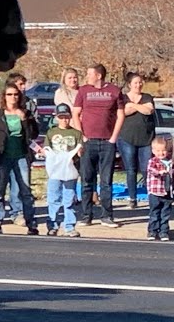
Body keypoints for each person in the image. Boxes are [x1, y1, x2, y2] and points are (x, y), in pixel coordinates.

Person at [0, 83, 40, 234]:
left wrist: (25, 120)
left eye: (15, 94)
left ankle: (31, 223)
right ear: (4, 97)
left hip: (21, 156)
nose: (13, 97)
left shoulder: (26, 113)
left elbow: (34, 134)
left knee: (25, 191)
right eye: (9, 94)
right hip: (1, 156)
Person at [73, 64, 124, 227]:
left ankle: (107, 216)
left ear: (99, 75)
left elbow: (120, 114)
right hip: (89, 142)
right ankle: (86, 215)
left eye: (89, 74)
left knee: (106, 181)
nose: (87, 76)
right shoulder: (83, 91)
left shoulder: (114, 91)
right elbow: (75, 112)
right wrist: (83, 136)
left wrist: (113, 138)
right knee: (87, 179)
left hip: (107, 142)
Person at [41, 102, 84, 237]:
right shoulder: (51, 132)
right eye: (61, 117)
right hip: (55, 171)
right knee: (54, 198)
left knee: (69, 198)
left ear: (70, 117)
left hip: (70, 170)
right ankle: (53, 224)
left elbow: (80, 149)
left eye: (66, 117)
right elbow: (47, 149)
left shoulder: (76, 133)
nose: (64, 120)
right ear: (56, 117)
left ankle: (69, 226)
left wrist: (79, 153)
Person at [117, 72, 156, 210]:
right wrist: (139, 107)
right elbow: (124, 112)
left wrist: (133, 105)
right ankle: (132, 199)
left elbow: (149, 111)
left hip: (146, 139)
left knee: (147, 169)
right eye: (135, 83)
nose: (138, 85)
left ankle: (151, 196)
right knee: (131, 169)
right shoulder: (122, 98)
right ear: (129, 85)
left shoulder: (147, 97)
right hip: (126, 138)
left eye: (140, 82)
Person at [146, 135, 172, 242]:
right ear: (153, 151)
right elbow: (151, 170)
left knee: (165, 214)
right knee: (154, 213)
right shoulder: (153, 161)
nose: (161, 153)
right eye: (158, 151)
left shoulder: (170, 162)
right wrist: (160, 172)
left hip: (167, 192)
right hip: (155, 193)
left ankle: (164, 232)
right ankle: (152, 230)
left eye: (163, 150)